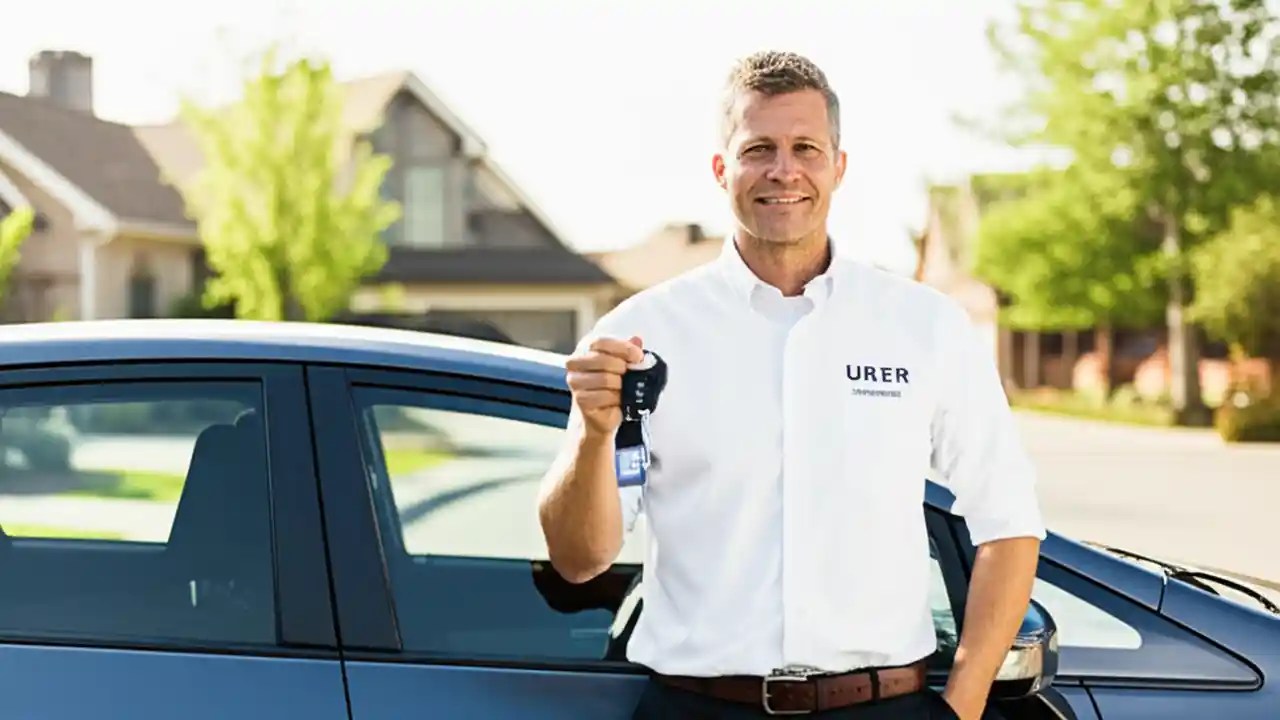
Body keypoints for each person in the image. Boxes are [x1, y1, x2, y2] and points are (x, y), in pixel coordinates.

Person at [538, 50, 1044, 720]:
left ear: (838, 165)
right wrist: (593, 437)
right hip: (697, 707)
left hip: (882, 705)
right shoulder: (639, 335)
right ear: (722, 170)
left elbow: (1008, 522)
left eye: (806, 147)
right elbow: (580, 560)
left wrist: (965, 703)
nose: (784, 170)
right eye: (759, 149)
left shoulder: (925, 328)